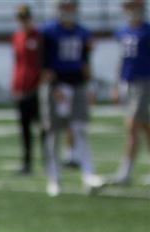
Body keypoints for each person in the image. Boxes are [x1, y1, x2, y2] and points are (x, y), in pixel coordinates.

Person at [40, 0, 105, 196]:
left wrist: (91, 85)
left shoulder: (83, 32)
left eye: (72, 6)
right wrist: (52, 86)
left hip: (77, 85)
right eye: (65, 6)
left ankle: (88, 174)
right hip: (57, 86)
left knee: (80, 129)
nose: (69, 10)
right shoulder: (48, 32)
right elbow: (43, 63)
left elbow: (85, 62)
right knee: (54, 132)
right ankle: (54, 177)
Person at [111, 0, 150, 186]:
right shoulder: (122, 31)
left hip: (145, 83)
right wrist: (117, 85)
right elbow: (121, 59)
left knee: (132, 125)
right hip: (128, 83)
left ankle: (126, 172)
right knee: (145, 128)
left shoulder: (148, 31)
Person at [11, 4, 44, 176]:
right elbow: (17, 63)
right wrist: (15, 84)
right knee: (24, 129)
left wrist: (41, 84)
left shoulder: (38, 37)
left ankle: (47, 160)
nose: (22, 21)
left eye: (25, 17)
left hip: (36, 89)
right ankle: (27, 162)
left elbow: (42, 63)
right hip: (22, 88)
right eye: (20, 18)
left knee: (42, 127)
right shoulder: (17, 37)